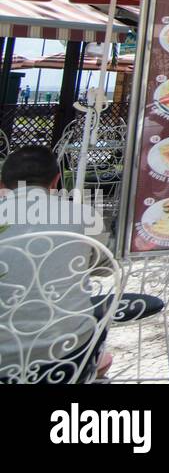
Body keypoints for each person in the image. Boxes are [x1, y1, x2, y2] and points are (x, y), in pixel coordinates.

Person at [0, 145, 111, 381]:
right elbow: (104, 267)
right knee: (100, 308)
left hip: (2, 362)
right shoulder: (83, 215)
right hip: (68, 355)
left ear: (3, 184)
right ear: (56, 181)